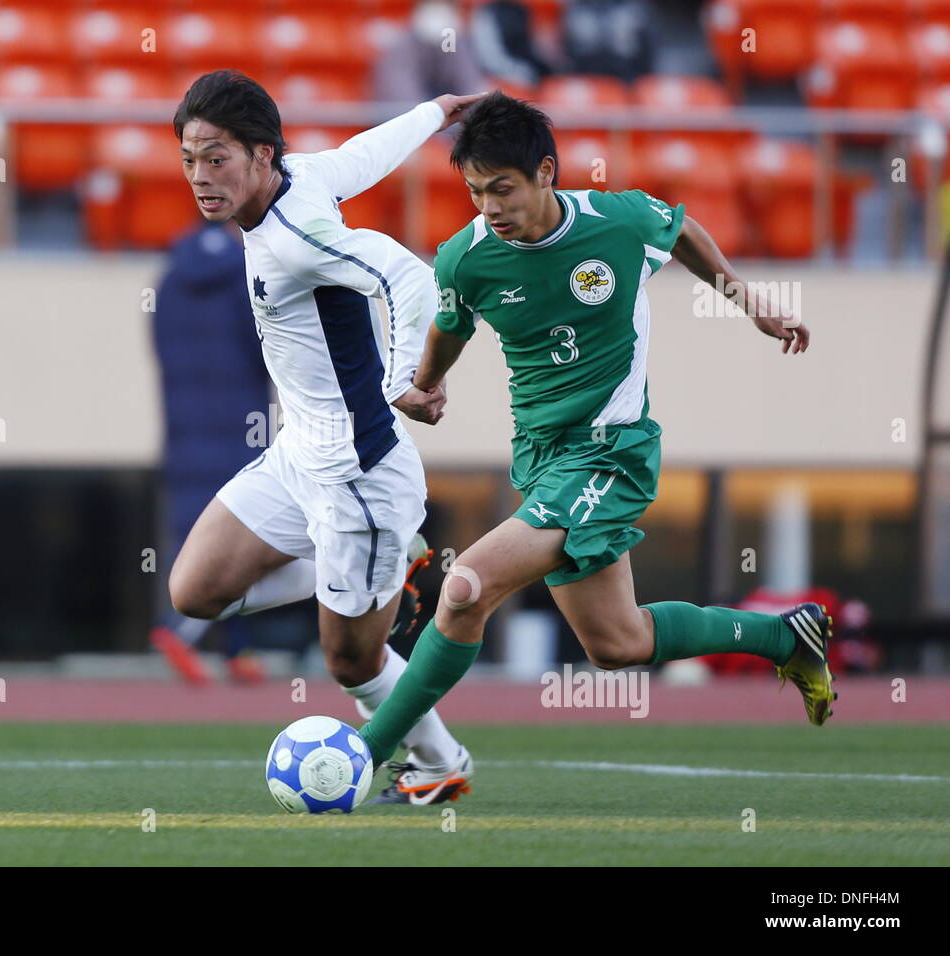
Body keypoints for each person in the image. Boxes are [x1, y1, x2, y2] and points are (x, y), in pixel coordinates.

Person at [358, 93, 837, 775]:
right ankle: (786, 636)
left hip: (613, 452)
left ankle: (366, 751)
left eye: (503, 188)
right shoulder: (465, 258)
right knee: (618, 643)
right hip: (542, 460)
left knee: (465, 586)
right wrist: (425, 384)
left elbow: (683, 229)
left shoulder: (617, 221)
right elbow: (451, 324)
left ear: (546, 173)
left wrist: (746, 298)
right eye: (475, 191)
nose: (490, 206)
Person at [169, 71, 480, 804]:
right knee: (194, 591)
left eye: (217, 158)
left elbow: (407, 278)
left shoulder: (299, 235)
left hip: (359, 478)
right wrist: (431, 112)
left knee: (349, 662)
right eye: (188, 159)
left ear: (263, 156)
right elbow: (361, 156)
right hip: (296, 457)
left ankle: (440, 761)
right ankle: (381, 571)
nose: (200, 178)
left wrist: (407, 379)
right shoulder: (300, 176)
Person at [148, 219, 285, 685]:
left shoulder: (168, 282)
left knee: (203, 535)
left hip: (183, 430)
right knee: (243, 537)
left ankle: (237, 650)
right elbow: (267, 347)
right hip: (240, 429)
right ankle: (179, 630)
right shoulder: (245, 279)